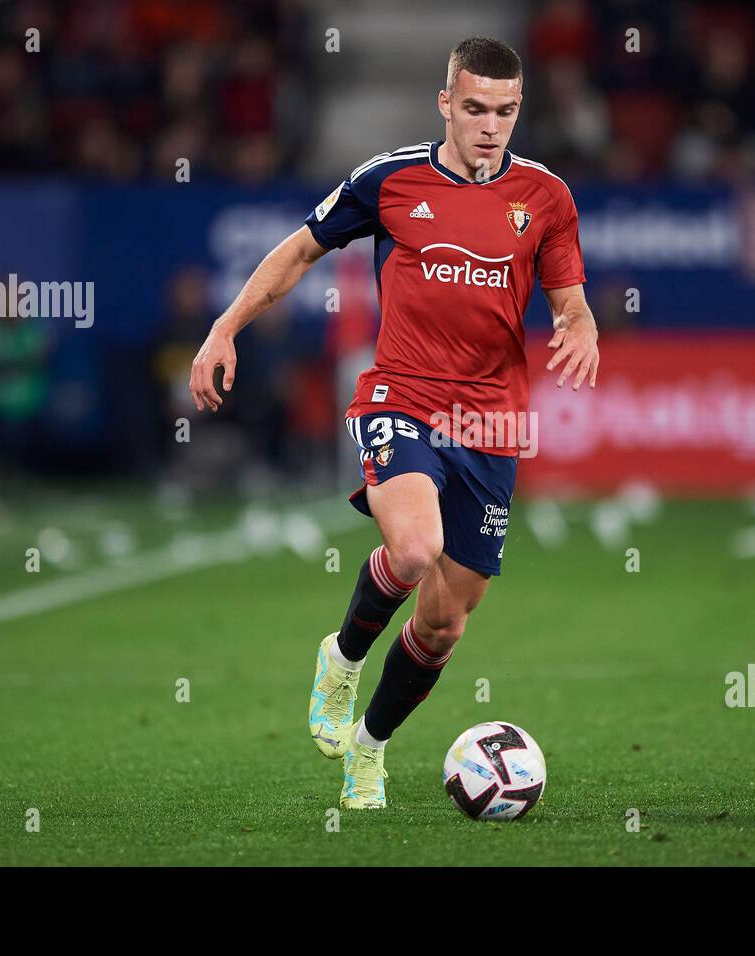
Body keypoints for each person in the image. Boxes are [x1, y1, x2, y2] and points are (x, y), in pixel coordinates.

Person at [188, 36, 599, 808]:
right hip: (401, 397)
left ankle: (370, 749)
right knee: (414, 550)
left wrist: (583, 327)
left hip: (492, 425)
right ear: (445, 103)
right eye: (474, 108)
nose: (489, 126)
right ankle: (341, 661)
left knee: (444, 625)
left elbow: (569, 297)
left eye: (505, 112)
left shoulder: (546, 196)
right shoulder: (389, 179)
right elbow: (299, 251)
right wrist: (224, 327)